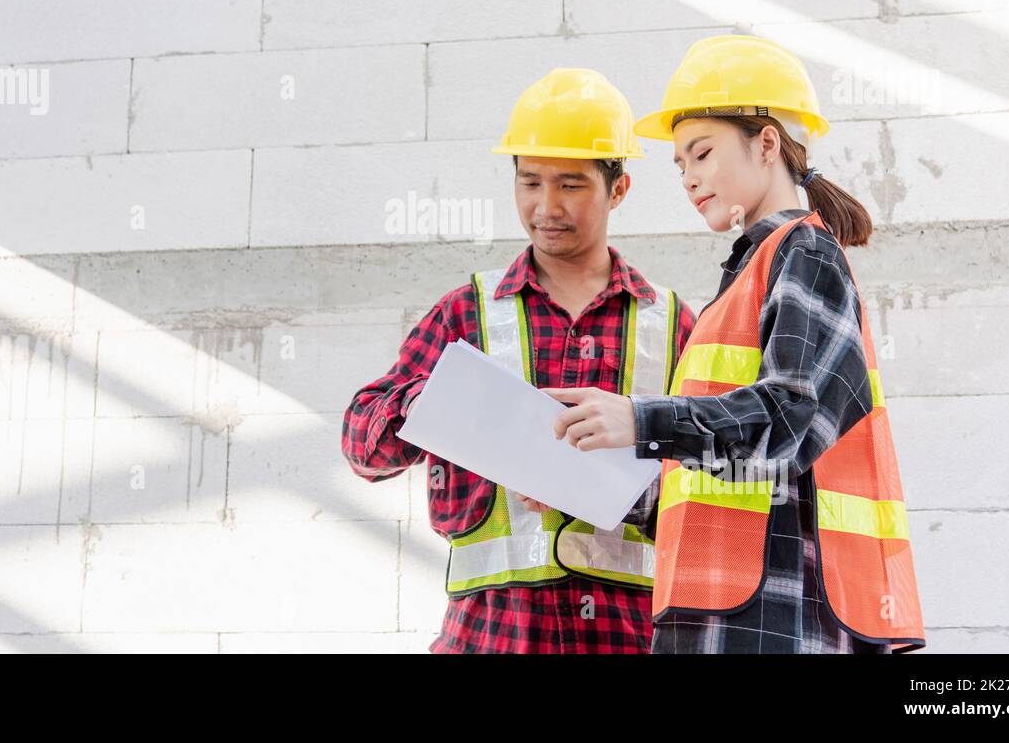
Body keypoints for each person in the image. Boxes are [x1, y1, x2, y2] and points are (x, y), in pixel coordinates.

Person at [540, 36, 926, 653]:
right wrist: (597, 483)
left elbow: (791, 422)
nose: (689, 178)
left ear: (766, 143)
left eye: (701, 153)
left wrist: (640, 419)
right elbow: (723, 472)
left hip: (778, 617)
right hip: (719, 612)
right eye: (680, 165)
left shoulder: (805, 254)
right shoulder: (744, 282)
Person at [341, 67, 698, 653]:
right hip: (493, 635)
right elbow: (362, 449)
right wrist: (427, 405)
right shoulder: (466, 315)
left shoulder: (677, 325)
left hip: (628, 638)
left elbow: (722, 483)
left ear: (619, 189)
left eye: (571, 184)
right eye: (530, 182)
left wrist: (615, 486)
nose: (546, 206)